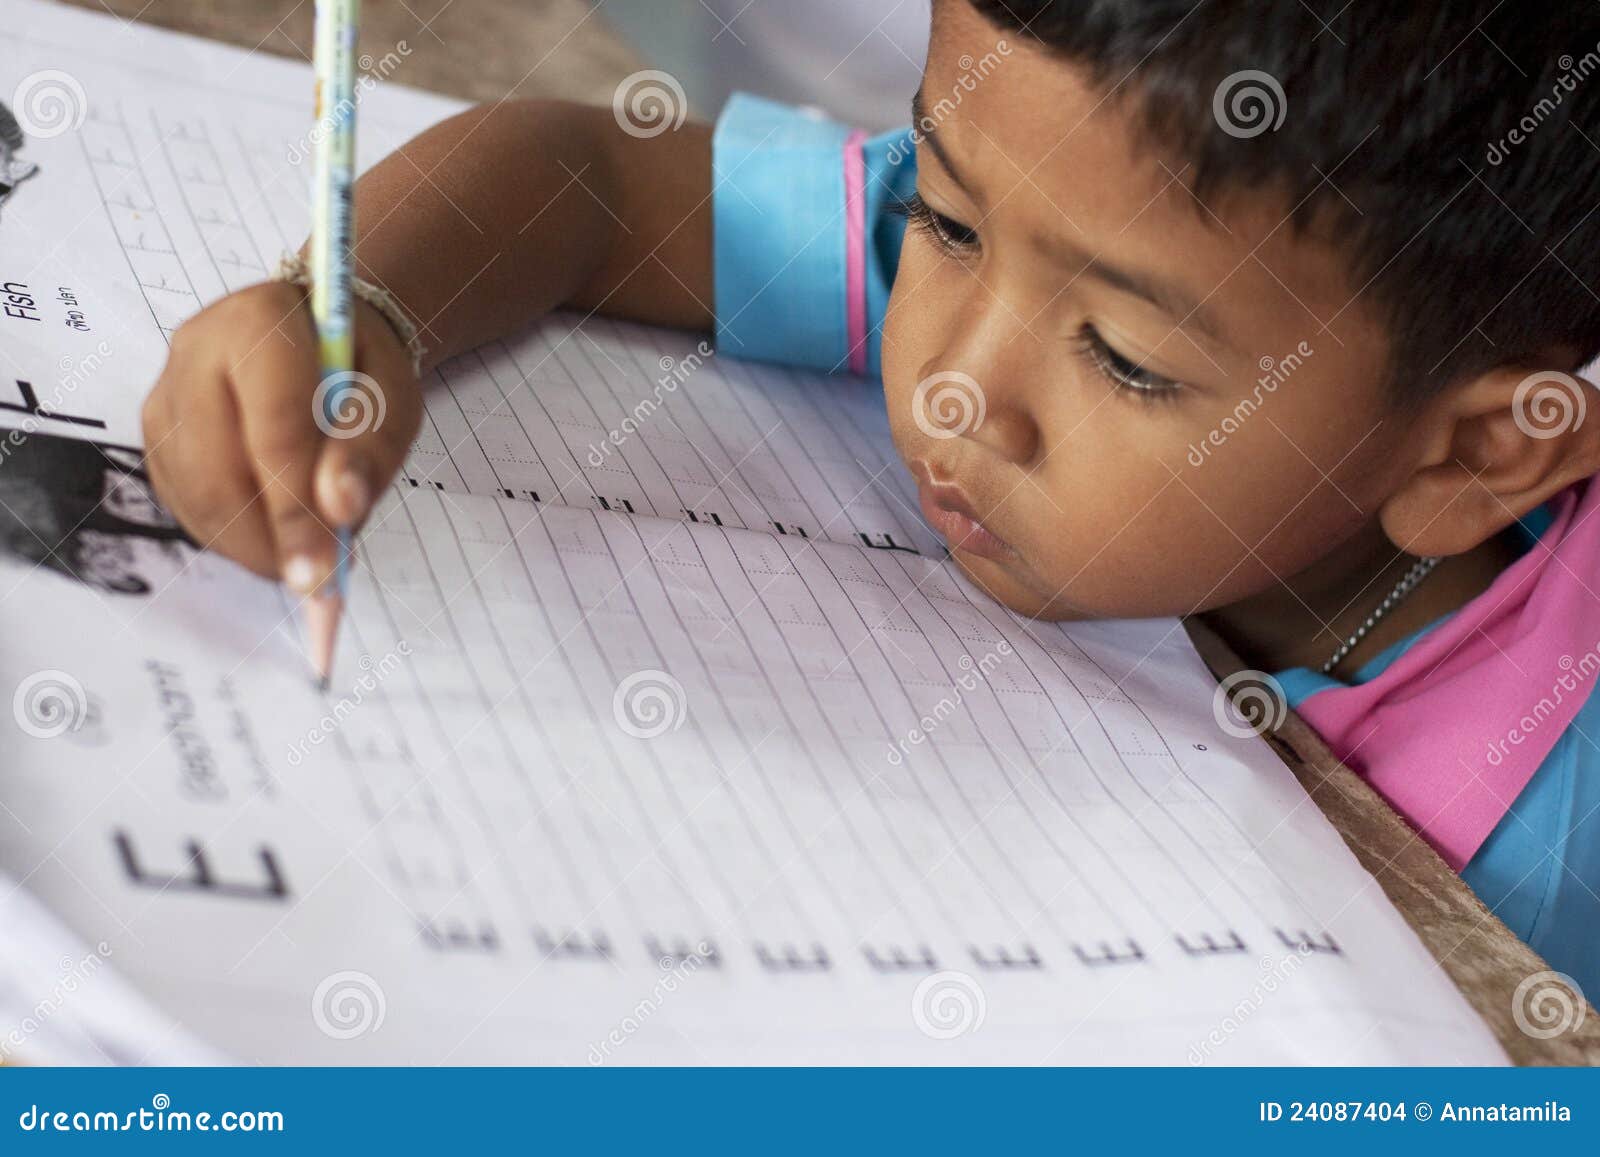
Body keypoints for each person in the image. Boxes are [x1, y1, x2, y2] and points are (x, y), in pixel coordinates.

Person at [140, 1, 1600, 999]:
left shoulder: (1556, 824)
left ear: (1472, 458)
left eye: (1126, 359)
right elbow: (590, 181)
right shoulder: (1077, 213)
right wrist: (361, 313)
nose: (955, 383)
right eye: (947, 222)